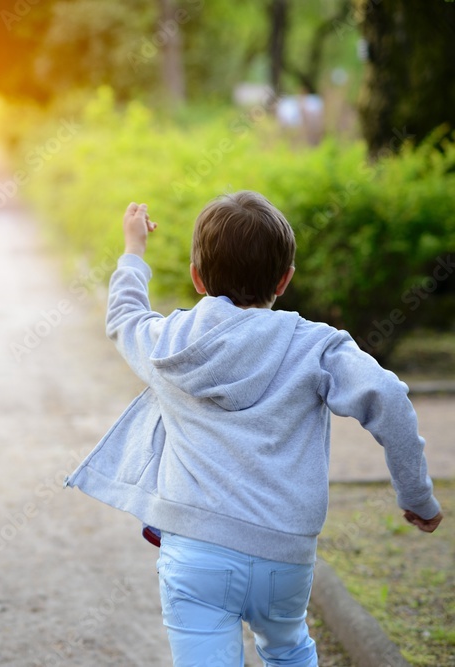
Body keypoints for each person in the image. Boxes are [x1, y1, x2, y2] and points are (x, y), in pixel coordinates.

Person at [65, 192, 443, 667]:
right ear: (285, 280)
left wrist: (133, 252)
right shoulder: (317, 347)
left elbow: (124, 317)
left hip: (196, 554)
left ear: (197, 279)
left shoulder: (172, 346)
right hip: (284, 556)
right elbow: (387, 398)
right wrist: (416, 495)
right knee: (288, 651)